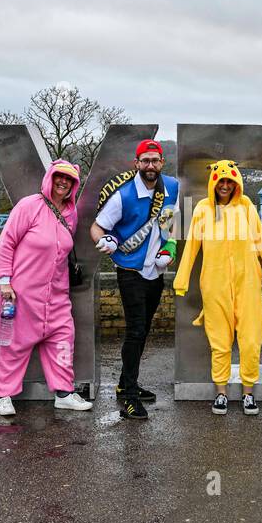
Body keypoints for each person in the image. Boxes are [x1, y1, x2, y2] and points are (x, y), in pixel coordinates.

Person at [173, 160, 262, 416]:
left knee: (250, 340)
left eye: (229, 181)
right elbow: (191, 246)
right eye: (221, 181)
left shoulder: (246, 207)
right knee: (220, 342)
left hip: (247, 282)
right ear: (214, 183)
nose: (225, 185)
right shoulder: (203, 209)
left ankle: (248, 393)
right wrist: (181, 280)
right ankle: (221, 393)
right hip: (214, 284)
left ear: (236, 183)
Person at [0, 159, 93, 416]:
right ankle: (4, 395)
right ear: (50, 178)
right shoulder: (29, 206)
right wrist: (4, 281)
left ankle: (64, 393)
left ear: (74, 184)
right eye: (60, 177)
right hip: (21, 293)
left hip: (57, 295)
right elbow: (7, 243)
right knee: (13, 345)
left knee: (62, 340)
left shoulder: (70, 213)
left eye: (69, 179)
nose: (63, 182)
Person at [89, 139, 180, 420]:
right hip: (130, 271)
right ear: (136, 164)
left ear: (162, 162)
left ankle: (126, 384)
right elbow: (98, 226)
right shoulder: (124, 195)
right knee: (135, 330)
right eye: (145, 161)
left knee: (144, 329)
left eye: (155, 160)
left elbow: (171, 224)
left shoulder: (173, 187)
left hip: (156, 270)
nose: (150, 166)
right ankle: (128, 396)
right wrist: (105, 240)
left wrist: (170, 249)